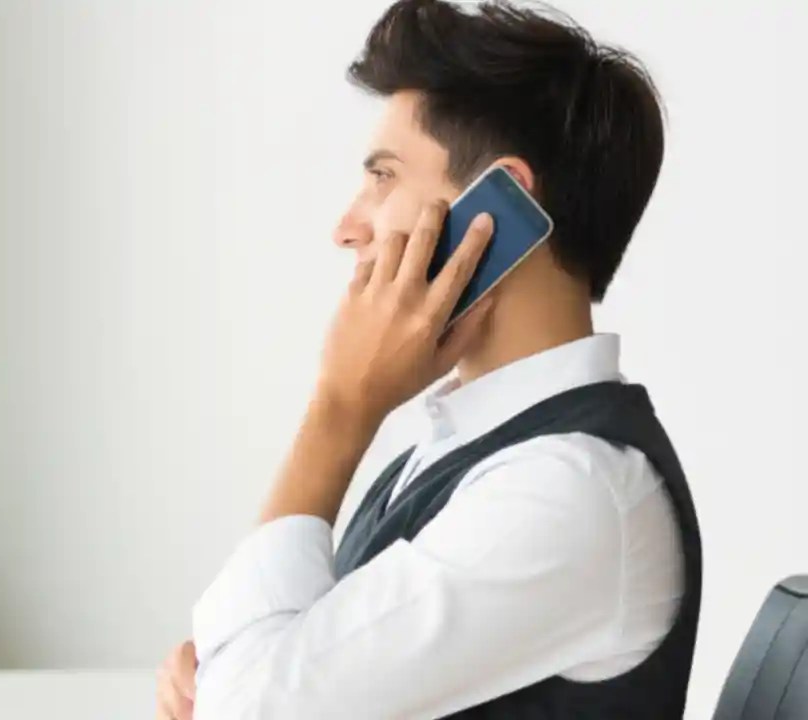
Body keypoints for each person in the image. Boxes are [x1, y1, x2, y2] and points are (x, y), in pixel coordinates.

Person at [154, 1, 702, 718]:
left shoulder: (570, 489)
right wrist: (234, 664)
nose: (348, 227)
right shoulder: (467, 453)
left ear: (494, 211)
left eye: (383, 177)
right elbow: (268, 677)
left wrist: (340, 410)